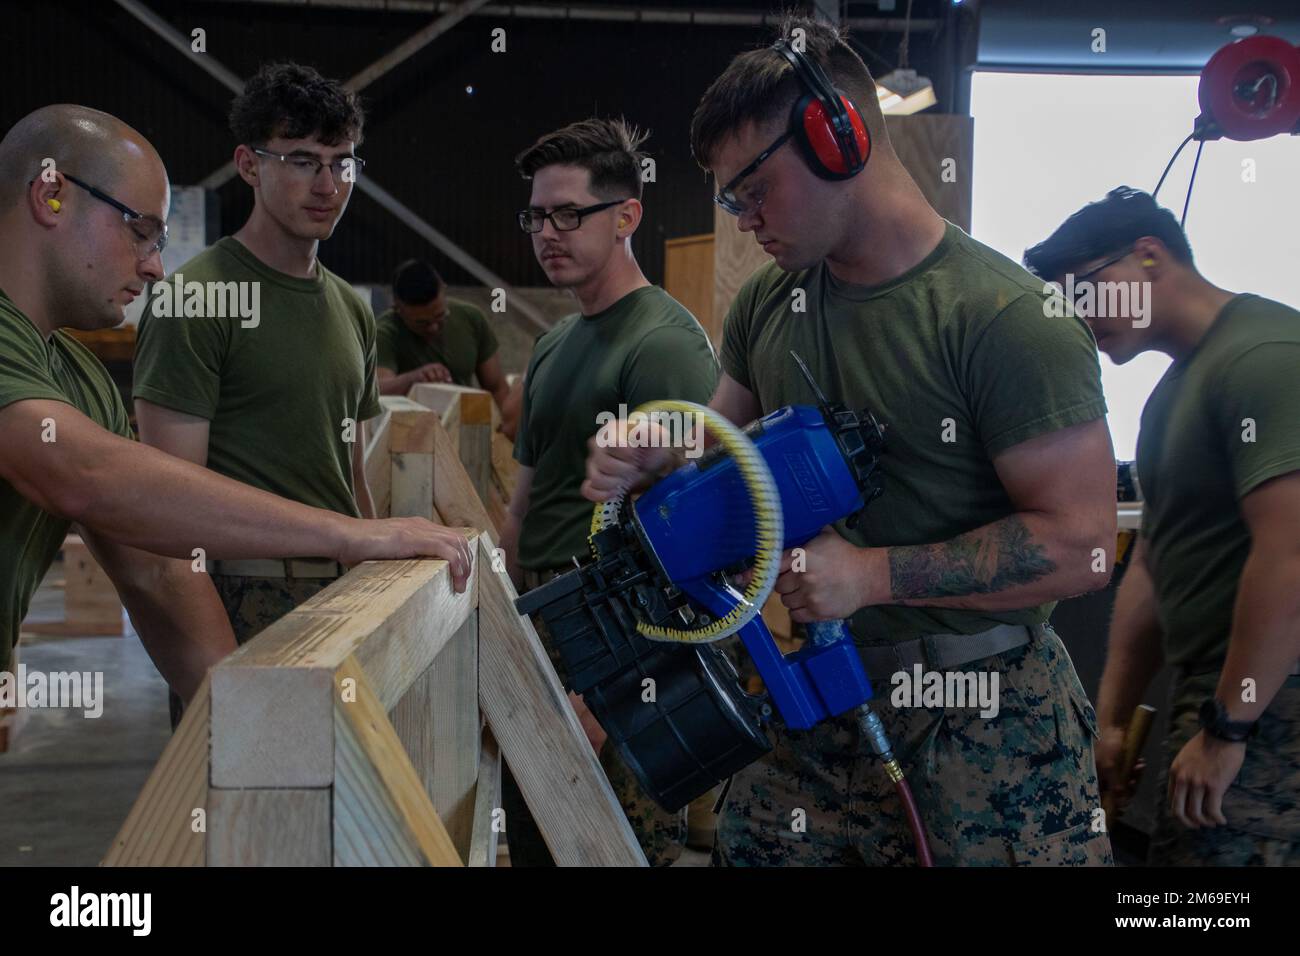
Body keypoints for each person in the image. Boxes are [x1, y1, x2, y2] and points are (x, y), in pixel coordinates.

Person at [585, 17, 1118, 866]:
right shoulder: (773, 301)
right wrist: (665, 446)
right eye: (731, 200)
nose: (745, 219)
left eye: (754, 188)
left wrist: (872, 576)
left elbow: (1082, 547)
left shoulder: (1006, 320)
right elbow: (722, 437)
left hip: (984, 727)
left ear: (842, 137)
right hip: (814, 705)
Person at [0, 104, 471, 708]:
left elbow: (158, 568)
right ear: (51, 194)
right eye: (139, 230)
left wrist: (255, 724)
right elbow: (86, 474)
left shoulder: (77, 377)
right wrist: (350, 536)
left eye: (340, 164)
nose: (153, 265)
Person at [1027, 186, 1300, 865]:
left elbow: (1292, 553)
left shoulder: (1264, 357)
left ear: (1148, 255)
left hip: (1271, 703)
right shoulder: (1171, 396)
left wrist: (1231, 726)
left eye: (1084, 293)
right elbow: (1153, 558)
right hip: (1217, 694)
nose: (1081, 321)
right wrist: (1112, 720)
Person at [501, 117, 720, 866]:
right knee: (536, 835)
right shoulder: (555, 342)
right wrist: (500, 624)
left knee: (610, 844)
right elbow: (524, 503)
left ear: (627, 215)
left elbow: (687, 544)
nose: (547, 233)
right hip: (544, 621)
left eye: (569, 214)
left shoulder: (662, 342)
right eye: (537, 215)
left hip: (616, 640)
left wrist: (608, 693)